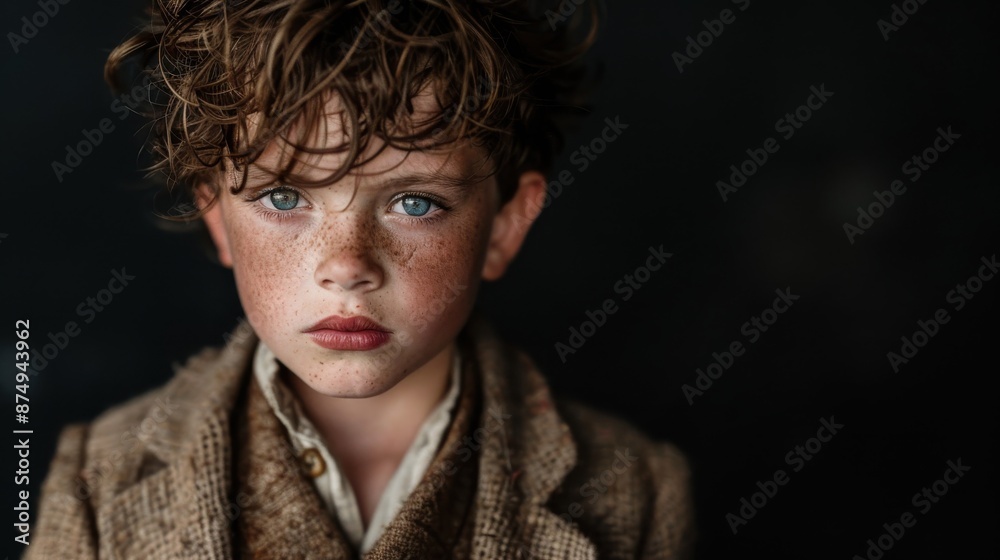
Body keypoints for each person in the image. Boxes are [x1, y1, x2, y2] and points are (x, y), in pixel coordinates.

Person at [26, 1, 695, 558]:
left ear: (504, 227)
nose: (347, 265)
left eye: (415, 203)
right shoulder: (96, 482)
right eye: (285, 198)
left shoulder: (636, 490)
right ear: (219, 219)